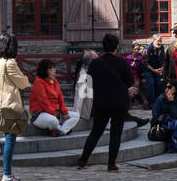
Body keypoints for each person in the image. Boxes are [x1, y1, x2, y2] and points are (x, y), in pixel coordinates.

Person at [77, 33, 137, 172]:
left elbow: (89, 83)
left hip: (102, 102)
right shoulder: (122, 63)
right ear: (117, 47)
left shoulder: (95, 63)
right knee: (115, 134)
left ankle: (82, 161)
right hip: (119, 103)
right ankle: (111, 164)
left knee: (96, 132)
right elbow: (130, 82)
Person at [0, 34, 31, 181]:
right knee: (10, 140)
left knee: (8, 139)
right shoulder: (10, 63)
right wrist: (26, 78)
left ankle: (8, 173)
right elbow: (22, 82)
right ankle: (6, 175)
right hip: (9, 105)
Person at [30, 60, 79, 136]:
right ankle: (58, 128)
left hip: (55, 112)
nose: (54, 71)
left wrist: (64, 112)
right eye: (51, 69)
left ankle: (61, 130)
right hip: (40, 114)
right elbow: (44, 102)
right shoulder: (39, 82)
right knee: (54, 121)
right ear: (44, 71)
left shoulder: (54, 81)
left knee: (76, 115)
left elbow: (60, 98)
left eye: (54, 69)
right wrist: (55, 114)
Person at [151, 82, 177, 152]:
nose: (167, 89)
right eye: (166, 87)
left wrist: (171, 102)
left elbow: (176, 116)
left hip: (173, 125)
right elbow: (155, 116)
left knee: (176, 123)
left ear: (176, 89)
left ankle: (174, 147)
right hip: (160, 125)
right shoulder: (160, 99)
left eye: (170, 87)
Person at [141, 34, 166, 108]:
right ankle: (151, 104)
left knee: (159, 84)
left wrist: (162, 68)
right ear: (153, 40)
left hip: (157, 69)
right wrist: (154, 70)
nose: (160, 43)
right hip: (148, 69)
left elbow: (163, 59)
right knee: (151, 84)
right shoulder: (147, 49)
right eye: (158, 41)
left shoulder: (161, 48)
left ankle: (158, 103)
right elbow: (145, 63)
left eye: (161, 41)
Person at [73, 49, 96, 121]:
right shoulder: (84, 75)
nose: (98, 60)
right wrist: (76, 114)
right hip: (89, 110)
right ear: (91, 61)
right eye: (96, 59)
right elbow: (79, 96)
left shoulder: (91, 70)